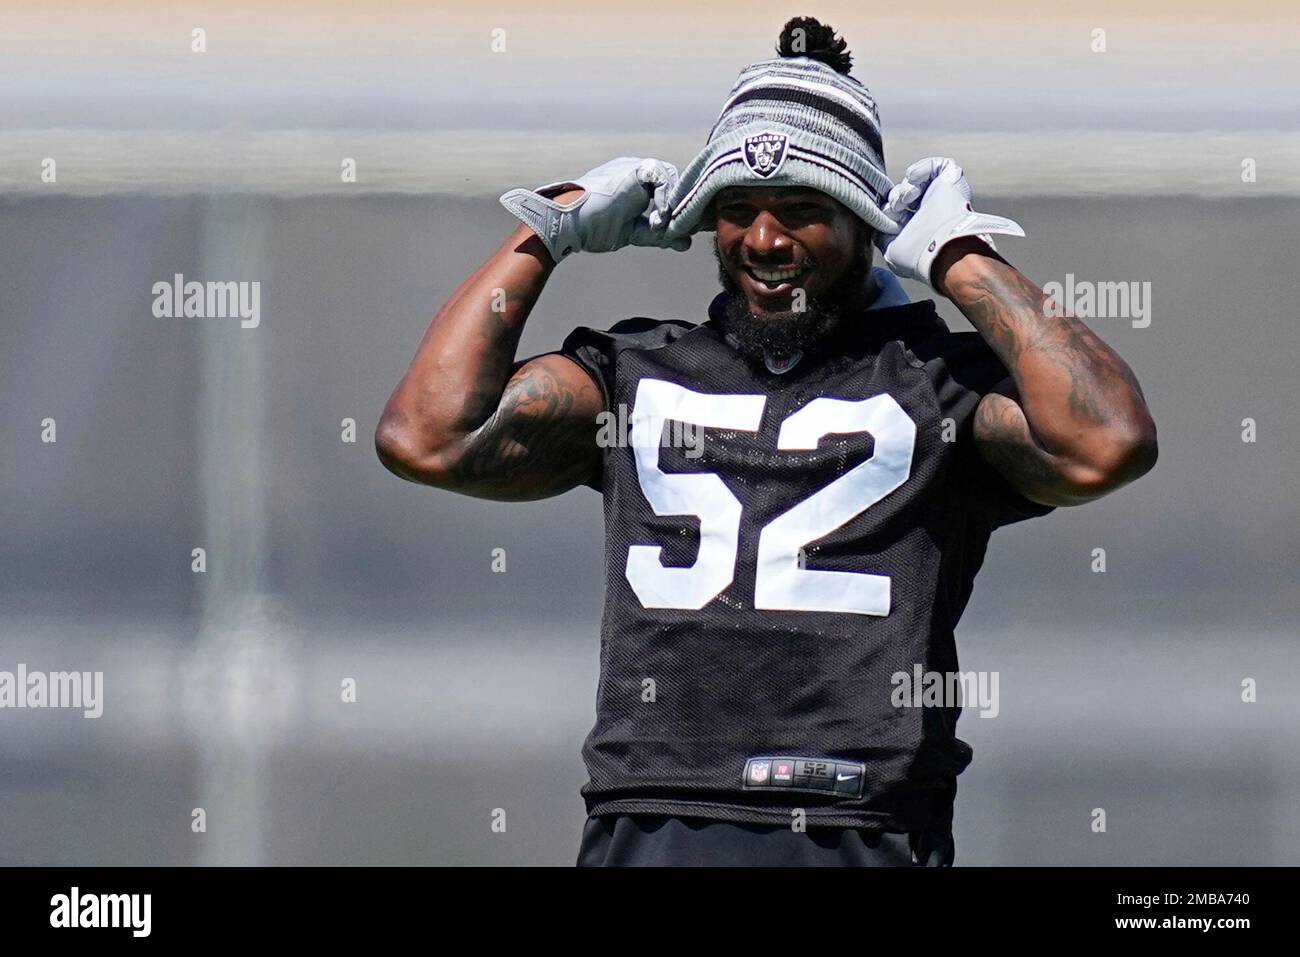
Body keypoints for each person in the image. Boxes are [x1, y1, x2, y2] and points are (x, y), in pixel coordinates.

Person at [375, 16, 1157, 865]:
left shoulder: (936, 382)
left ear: (866, 224)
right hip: (656, 818)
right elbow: (428, 435)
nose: (765, 239)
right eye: (737, 209)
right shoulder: (634, 370)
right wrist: (548, 230)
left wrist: (961, 256)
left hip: (859, 821)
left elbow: (1105, 442)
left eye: (804, 210)